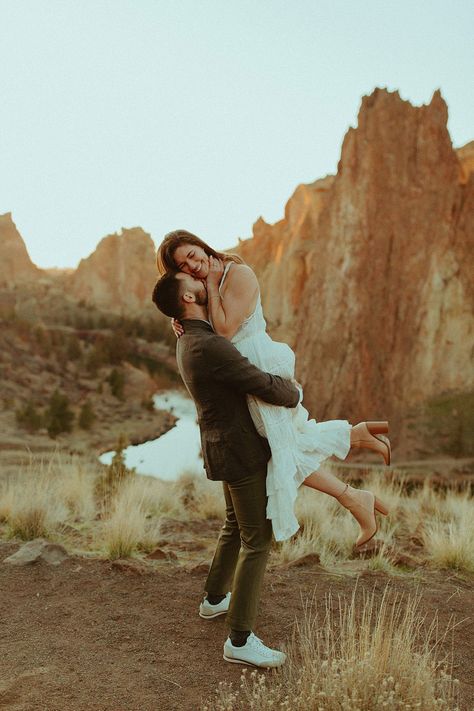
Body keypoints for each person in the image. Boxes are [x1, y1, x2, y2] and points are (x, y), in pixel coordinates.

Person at [157, 229, 391, 546]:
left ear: (202, 246)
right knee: (281, 445)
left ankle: (354, 496)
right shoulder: (207, 286)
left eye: (194, 255)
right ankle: (356, 441)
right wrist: (183, 320)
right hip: (246, 365)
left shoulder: (236, 273)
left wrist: (211, 286)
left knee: (279, 450)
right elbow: (211, 329)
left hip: (260, 363)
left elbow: (223, 331)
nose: (194, 265)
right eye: (184, 265)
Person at [151, 269, 302, 668]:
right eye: (191, 282)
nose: (199, 281)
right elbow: (261, 383)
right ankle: (240, 639)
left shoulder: (189, 339)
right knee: (258, 539)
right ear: (186, 298)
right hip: (239, 450)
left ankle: (214, 599)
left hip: (221, 447)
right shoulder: (208, 345)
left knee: (235, 525)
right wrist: (295, 392)